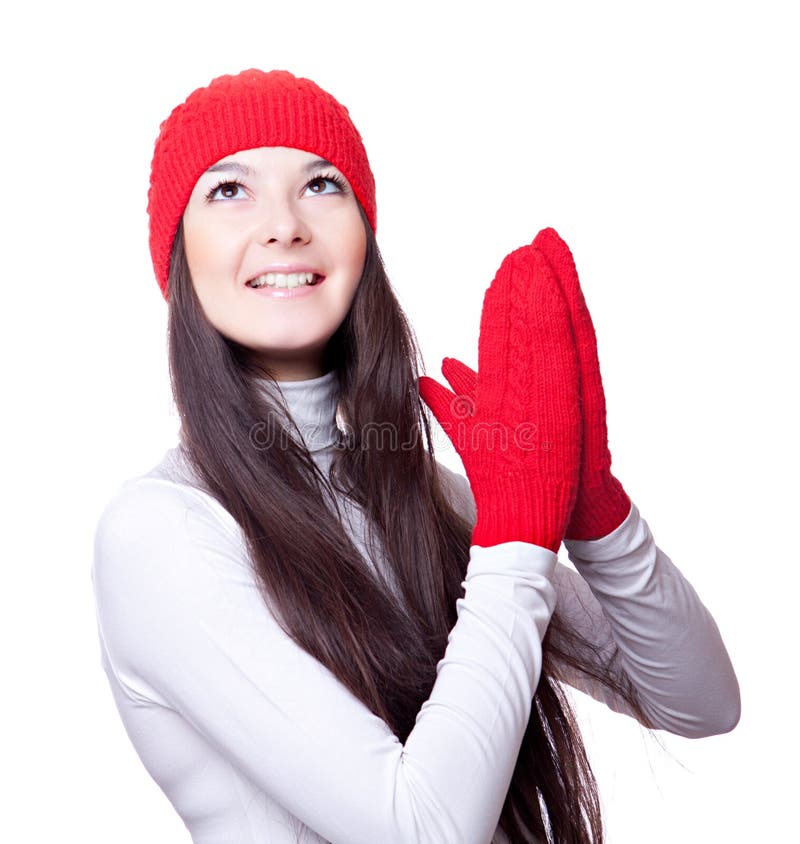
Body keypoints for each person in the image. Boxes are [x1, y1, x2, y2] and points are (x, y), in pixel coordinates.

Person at [91, 68, 740, 844]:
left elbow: (701, 702)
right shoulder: (159, 532)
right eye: (229, 191)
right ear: (177, 255)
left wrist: (590, 506)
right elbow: (419, 829)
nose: (284, 224)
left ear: (364, 238)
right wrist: (518, 537)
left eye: (322, 185)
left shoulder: (424, 495)